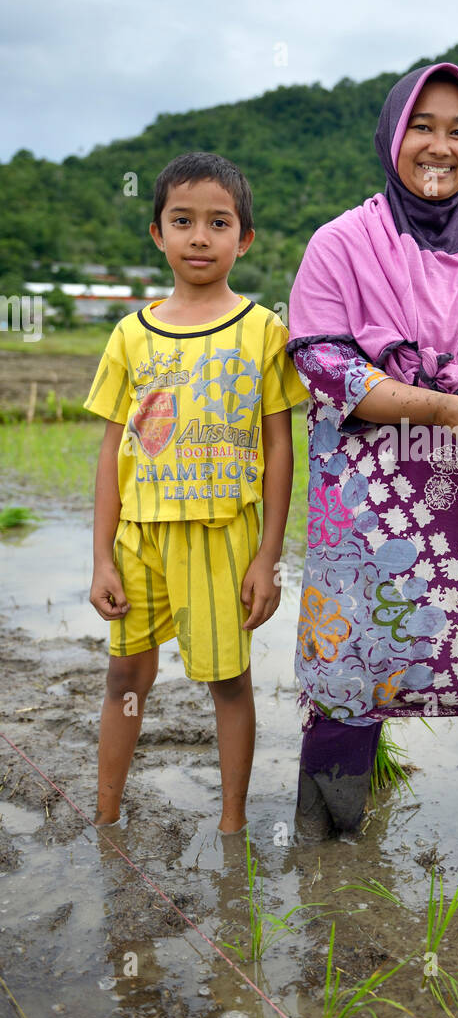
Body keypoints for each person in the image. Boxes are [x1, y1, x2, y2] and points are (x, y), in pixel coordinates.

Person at [288, 62, 458, 839]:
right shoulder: (342, 242)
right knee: (355, 664)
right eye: (423, 127)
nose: (441, 146)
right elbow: (324, 361)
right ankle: (325, 847)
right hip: (371, 512)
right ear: (391, 135)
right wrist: (448, 406)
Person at [84, 152, 305, 833]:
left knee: (227, 680)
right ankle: (107, 816)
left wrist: (267, 557)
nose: (200, 237)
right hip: (140, 535)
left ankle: (232, 821)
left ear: (245, 238)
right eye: (183, 221)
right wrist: (101, 558)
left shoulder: (263, 330)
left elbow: (277, 449)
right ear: (158, 233)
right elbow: (111, 451)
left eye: (218, 222)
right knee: (126, 679)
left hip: (221, 538)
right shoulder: (131, 334)